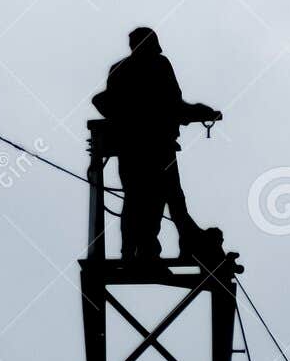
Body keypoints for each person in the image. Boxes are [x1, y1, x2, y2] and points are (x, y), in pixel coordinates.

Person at [92, 27, 221, 263]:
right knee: (168, 198)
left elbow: (111, 104)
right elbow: (172, 105)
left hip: (130, 150)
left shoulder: (120, 70)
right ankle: (154, 251)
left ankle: (136, 252)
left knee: (136, 200)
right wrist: (198, 111)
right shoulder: (159, 65)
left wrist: (193, 111)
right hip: (157, 148)